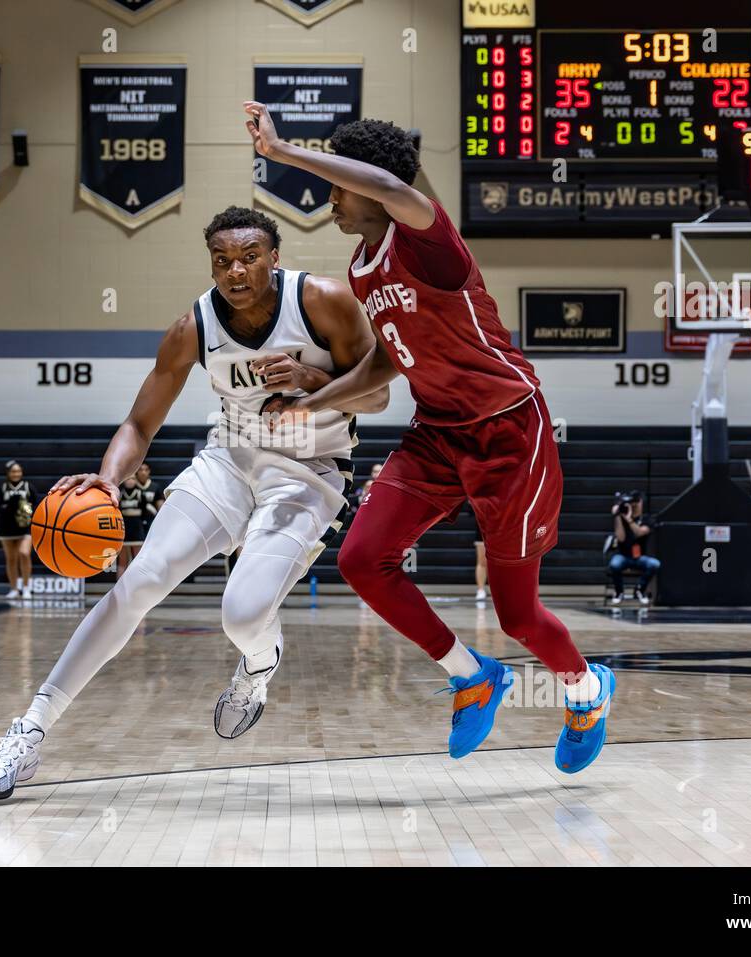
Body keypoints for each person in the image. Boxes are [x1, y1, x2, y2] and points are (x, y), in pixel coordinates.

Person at [0, 205, 388, 799]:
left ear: (274, 257)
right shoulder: (194, 326)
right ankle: (28, 732)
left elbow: (377, 398)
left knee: (242, 616)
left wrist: (309, 381)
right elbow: (140, 424)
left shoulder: (323, 301)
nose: (235, 271)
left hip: (309, 472)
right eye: (222, 260)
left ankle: (258, 663)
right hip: (229, 462)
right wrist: (109, 481)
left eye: (249, 258)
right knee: (137, 583)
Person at [247, 104, 614, 774]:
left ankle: (587, 692)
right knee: (363, 558)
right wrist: (311, 398)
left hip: (509, 429)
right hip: (438, 433)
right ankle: (472, 675)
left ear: (368, 181)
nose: (331, 199)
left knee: (518, 616)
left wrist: (283, 151)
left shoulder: (427, 235)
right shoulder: (363, 269)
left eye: (338, 184)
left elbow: (393, 187)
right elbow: (391, 358)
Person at [607, 491, 659, 605]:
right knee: (614, 564)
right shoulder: (621, 518)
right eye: (631, 503)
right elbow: (621, 538)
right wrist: (618, 516)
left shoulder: (647, 519)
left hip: (640, 557)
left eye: (636, 503)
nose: (633, 506)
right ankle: (619, 592)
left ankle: (640, 590)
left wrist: (629, 519)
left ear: (641, 503)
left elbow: (639, 532)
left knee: (654, 564)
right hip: (623, 555)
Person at [0, 462, 35, 599]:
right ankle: (14, 589)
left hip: (24, 527)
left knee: (24, 553)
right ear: (8, 473)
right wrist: (7, 507)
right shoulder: (2, 488)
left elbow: (36, 505)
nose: (16, 474)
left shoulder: (28, 487)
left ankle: (26, 588)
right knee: (11, 559)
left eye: (18, 471)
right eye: (13, 471)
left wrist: (25, 509)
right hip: (6, 528)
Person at [115, 462, 163, 577]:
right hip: (124, 529)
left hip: (138, 528)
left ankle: (137, 584)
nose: (130, 481)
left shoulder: (141, 493)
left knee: (138, 561)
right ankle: (120, 585)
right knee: (122, 561)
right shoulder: (119, 493)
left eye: (132, 479)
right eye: (128, 479)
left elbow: (146, 510)